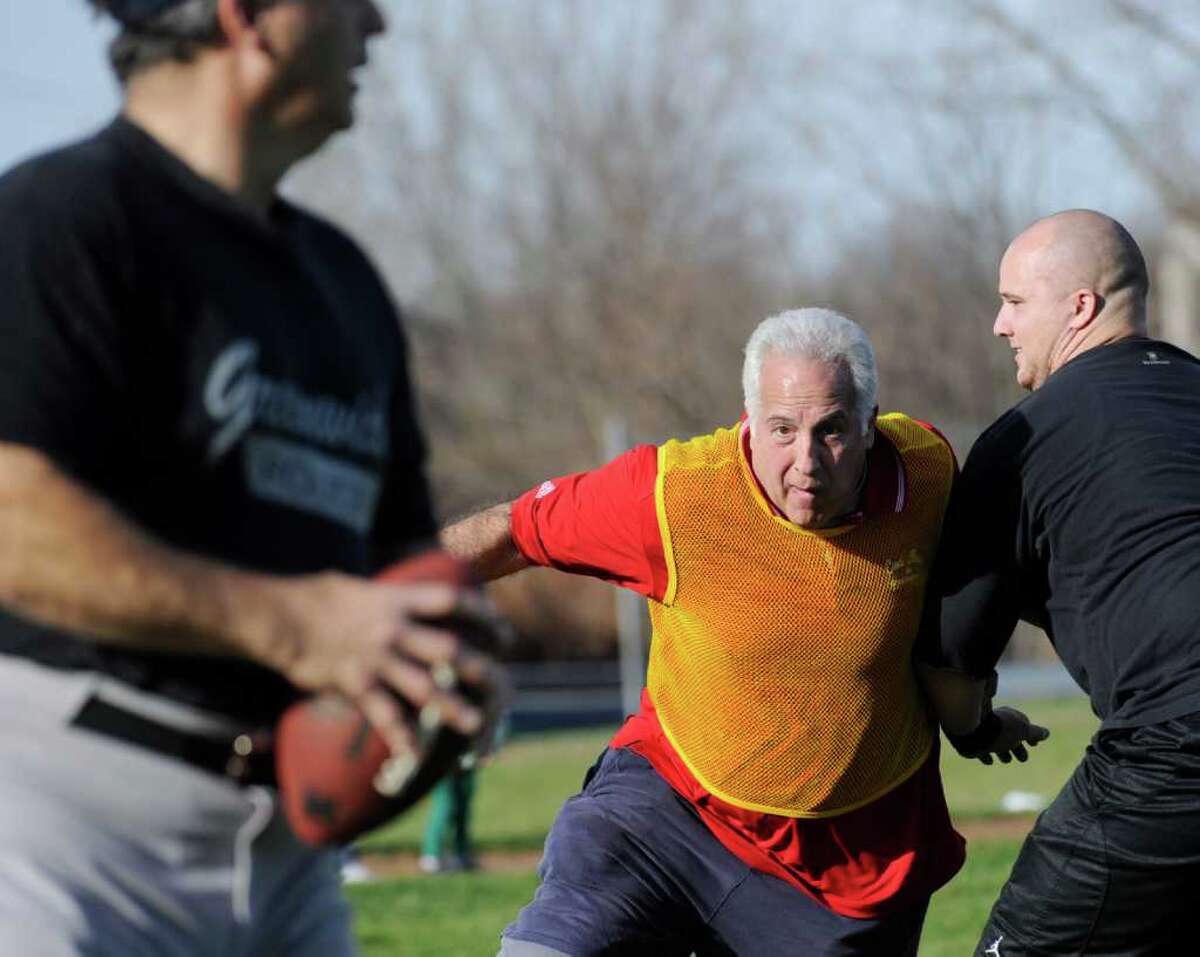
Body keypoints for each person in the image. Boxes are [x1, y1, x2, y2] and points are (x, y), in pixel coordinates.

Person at [0, 1, 499, 954]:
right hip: (66, 829)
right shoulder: (56, 220)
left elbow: (397, 565)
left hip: (288, 859)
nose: (378, 25)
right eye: (352, 1)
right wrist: (292, 620)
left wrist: (443, 658)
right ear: (246, 18)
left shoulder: (344, 285)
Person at [441, 308, 967, 957]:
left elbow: (993, 591)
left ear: (869, 421)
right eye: (781, 429)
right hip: (666, 814)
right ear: (749, 416)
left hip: (847, 869)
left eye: (830, 431)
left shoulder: (928, 472)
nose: (805, 460)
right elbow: (512, 530)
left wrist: (979, 708)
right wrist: (370, 607)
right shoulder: (674, 498)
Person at [917, 209, 1200, 956]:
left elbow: (950, 663)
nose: (997, 324)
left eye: (1014, 301)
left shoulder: (1024, 440)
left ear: (1079, 306)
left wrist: (977, 728)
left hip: (1175, 745)